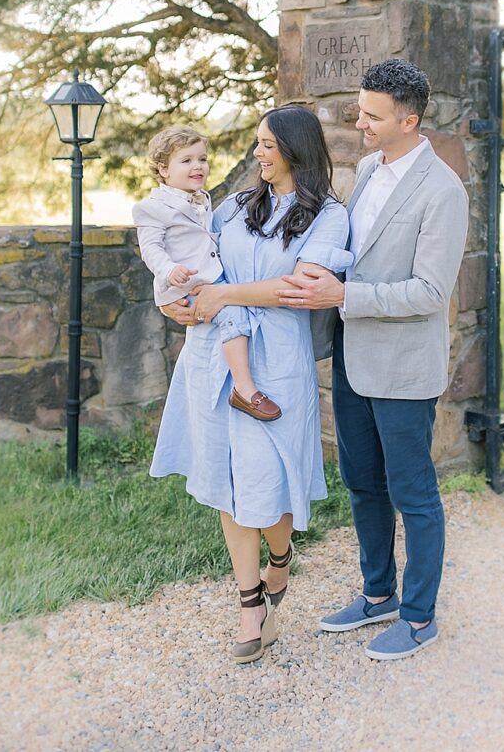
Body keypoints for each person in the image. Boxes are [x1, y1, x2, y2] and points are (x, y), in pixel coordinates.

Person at [278, 59, 470, 662]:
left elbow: (430, 293)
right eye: (361, 110)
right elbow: (358, 252)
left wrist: (343, 296)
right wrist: (323, 265)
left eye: (371, 114)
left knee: (413, 493)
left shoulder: (443, 190)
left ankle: (419, 618)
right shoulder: (365, 169)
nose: (358, 122)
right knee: (362, 484)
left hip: (405, 367)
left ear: (409, 120)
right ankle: (379, 594)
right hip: (353, 355)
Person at [150, 106, 352, 664]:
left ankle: (281, 559)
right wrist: (175, 304)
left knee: (271, 478)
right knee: (225, 481)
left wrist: (224, 296)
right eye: (258, 143)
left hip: (276, 362)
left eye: (266, 144)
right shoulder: (236, 207)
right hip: (212, 355)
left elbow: (298, 289)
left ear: (295, 149)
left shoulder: (329, 216)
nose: (257, 153)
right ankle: (250, 604)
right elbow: (191, 263)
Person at [131, 125, 273, 421]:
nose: (198, 166)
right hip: (188, 285)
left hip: (210, 277)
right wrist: (170, 272)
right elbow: (151, 249)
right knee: (234, 315)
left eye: (202, 159)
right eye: (186, 160)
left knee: (239, 316)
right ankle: (245, 389)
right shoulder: (152, 208)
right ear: (163, 170)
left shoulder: (201, 198)